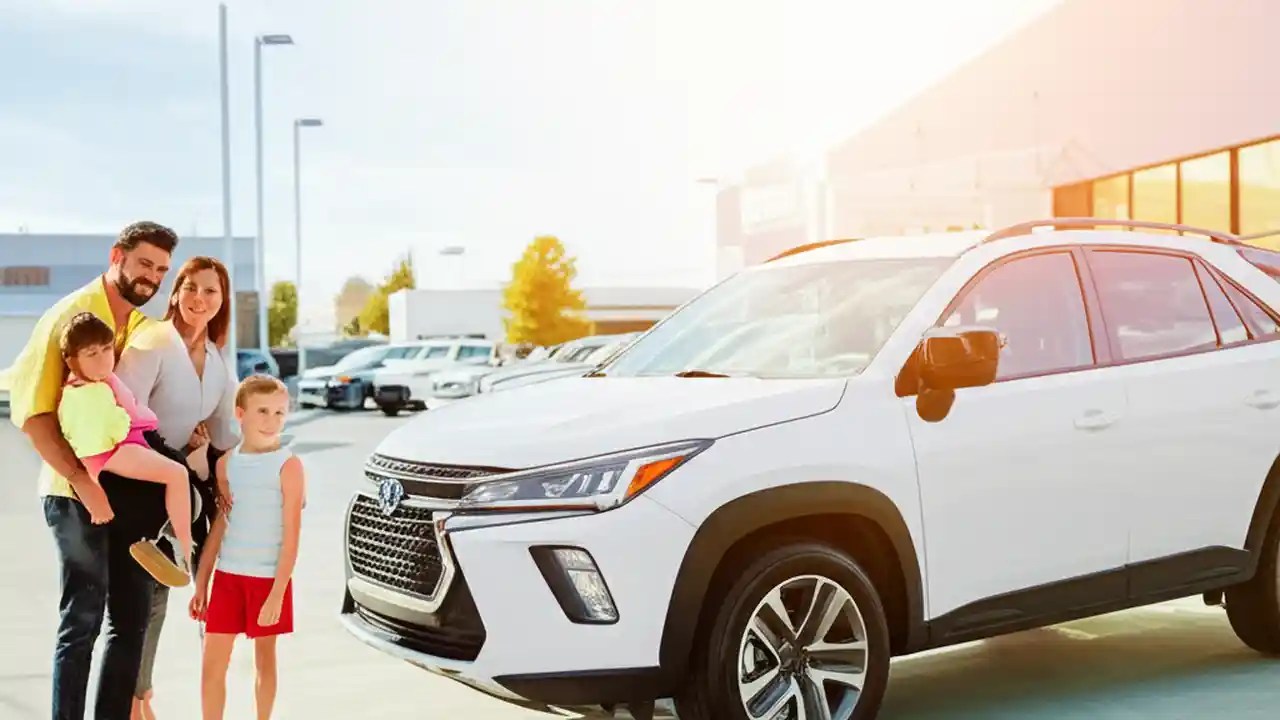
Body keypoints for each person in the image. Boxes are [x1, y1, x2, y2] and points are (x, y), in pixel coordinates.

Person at [7, 221, 179, 720]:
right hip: (72, 492)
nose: (152, 277)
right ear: (117, 256)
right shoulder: (71, 315)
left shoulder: (134, 325)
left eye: (161, 270)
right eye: (144, 263)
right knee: (81, 620)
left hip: (120, 491)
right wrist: (84, 484)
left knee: (129, 621)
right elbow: (32, 414)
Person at [114, 255, 241, 720]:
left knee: (181, 595)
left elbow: (226, 431)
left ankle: (168, 699)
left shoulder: (218, 358)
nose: (199, 299)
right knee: (143, 601)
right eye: (191, 288)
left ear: (222, 299)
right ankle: (134, 701)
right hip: (140, 480)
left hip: (189, 485)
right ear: (176, 292)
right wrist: (175, 454)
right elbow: (122, 417)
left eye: (210, 291)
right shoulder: (152, 343)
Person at [190, 375, 305, 720]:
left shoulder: (289, 466)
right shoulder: (226, 464)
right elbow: (220, 525)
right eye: (263, 411)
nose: (272, 421)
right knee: (212, 666)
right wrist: (201, 582)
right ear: (240, 414)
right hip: (228, 577)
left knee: (264, 661)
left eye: (280, 413)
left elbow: (292, 535)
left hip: (269, 580)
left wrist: (277, 593)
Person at [55, 312, 196, 588]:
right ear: (73, 360)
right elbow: (102, 432)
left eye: (107, 349)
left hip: (118, 446)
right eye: (91, 353)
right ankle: (183, 547)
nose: (103, 359)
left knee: (171, 478)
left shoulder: (99, 383)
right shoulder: (83, 393)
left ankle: (161, 535)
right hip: (108, 453)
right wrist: (127, 420)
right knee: (176, 474)